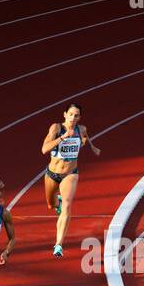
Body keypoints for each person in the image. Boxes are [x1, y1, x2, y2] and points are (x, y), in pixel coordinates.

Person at [41, 103, 101, 258]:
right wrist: (63, 137)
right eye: (71, 114)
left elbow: (86, 137)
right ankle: (56, 202)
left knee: (67, 206)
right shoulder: (56, 128)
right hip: (52, 173)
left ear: (79, 117)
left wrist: (93, 147)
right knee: (50, 204)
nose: (73, 118)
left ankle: (59, 244)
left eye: (76, 115)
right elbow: (44, 149)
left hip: (70, 173)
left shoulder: (82, 129)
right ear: (65, 114)